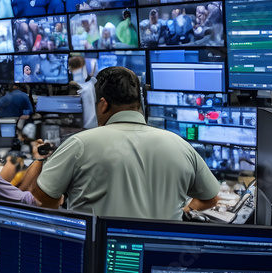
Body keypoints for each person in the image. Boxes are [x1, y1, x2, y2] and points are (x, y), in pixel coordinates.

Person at [24, 67, 220, 219]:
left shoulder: (80, 144)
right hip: (158, 258)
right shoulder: (181, 145)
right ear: (139, 104)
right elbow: (210, 198)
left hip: (100, 258)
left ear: (103, 104)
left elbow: (41, 196)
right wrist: (184, 209)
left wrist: (61, 198)